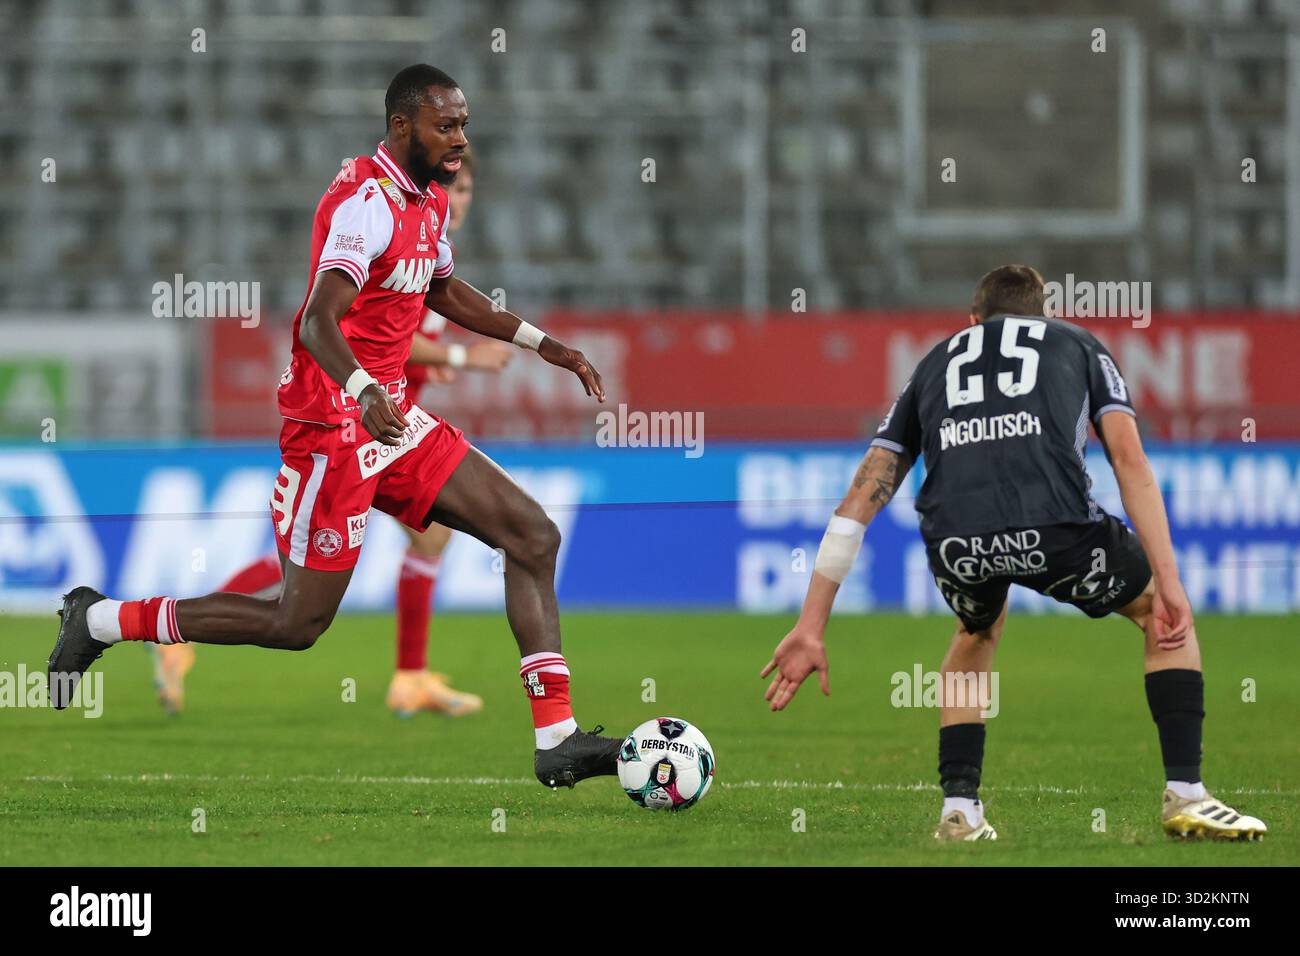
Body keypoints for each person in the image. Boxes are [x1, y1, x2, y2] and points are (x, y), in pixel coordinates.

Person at [50, 64, 623, 790]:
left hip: (392, 419)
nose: (460, 139)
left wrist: (549, 346)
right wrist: (360, 390)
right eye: (446, 125)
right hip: (333, 427)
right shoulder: (367, 203)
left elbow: (444, 289)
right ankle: (99, 622)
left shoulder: (425, 202)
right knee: (297, 624)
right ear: (401, 127)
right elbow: (316, 319)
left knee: (532, 534)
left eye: (464, 125)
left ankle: (558, 737)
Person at [762, 264, 1267, 842]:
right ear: (1044, 314)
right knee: (1160, 613)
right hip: (1057, 529)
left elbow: (862, 495)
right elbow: (1129, 461)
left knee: (975, 632)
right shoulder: (1079, 344)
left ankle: (960, 810)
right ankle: (1187, 795)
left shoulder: (933, 362)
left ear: (973, 321)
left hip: (956, 540)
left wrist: (811, 624)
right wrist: (1169, 579)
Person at [150, 149, 512, 720]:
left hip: (393, 421)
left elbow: (399, 340)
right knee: (319, 569)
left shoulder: (429, 242)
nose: (459, 199)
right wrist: (460, 357)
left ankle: (410, 675)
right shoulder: (394, 230)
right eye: (456, 188)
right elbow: (358, 324)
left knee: (406, 543)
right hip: (354, 423)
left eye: (468, 191)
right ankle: (186, 628)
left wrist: (434, 362)